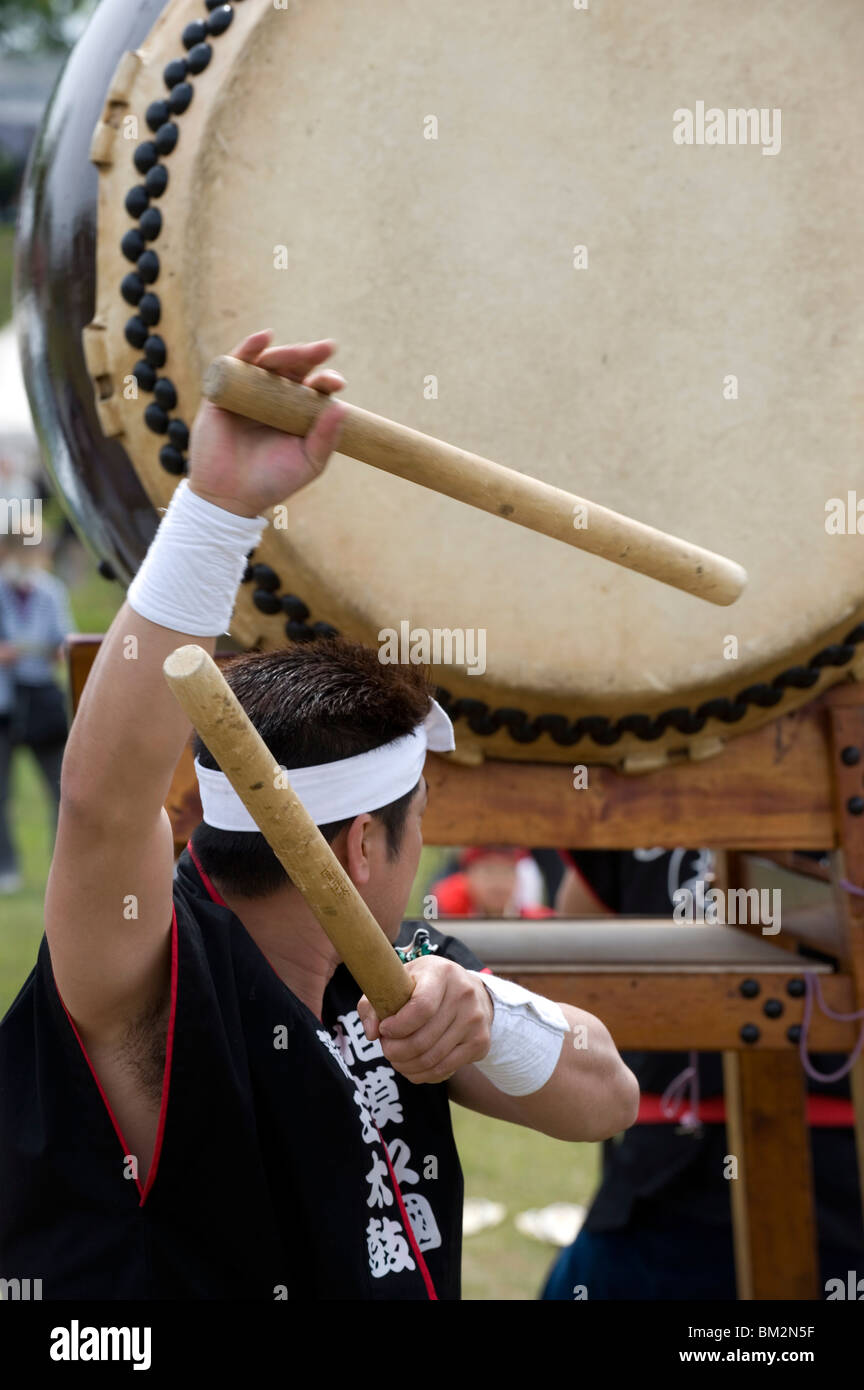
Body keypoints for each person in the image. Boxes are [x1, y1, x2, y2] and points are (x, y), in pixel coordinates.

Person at [0, 330, 639, 1300]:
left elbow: (607, 1099)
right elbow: (101, 799)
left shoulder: (402, 972)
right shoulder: (156, 974)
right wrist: (215, 509)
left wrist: (489, 1017)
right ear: (368, 838)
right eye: (420, 816)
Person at [541, 848, 864, 1300]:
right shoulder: (639, 794)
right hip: (672, 1162)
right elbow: (573, 954)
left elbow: (572, 949)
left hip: (701, 1163)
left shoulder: (642, 792)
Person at [0, 532, 74, 894]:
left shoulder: (50, 591)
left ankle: (64, 867)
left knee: (62, 789)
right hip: (5, 704)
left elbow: (65, 641)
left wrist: (38, 650)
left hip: (43, 703)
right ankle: (6, 869)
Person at [431, 846, 555, 919]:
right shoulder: (450, 918)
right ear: (469, 876)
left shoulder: (539, 921)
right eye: (489, 871)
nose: (498, 882)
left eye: (507, 871)